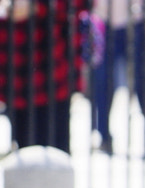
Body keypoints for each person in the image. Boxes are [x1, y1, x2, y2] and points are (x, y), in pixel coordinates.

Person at [0, 0, 86, 154]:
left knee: (57, 154)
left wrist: (37, 7)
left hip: (53, 78)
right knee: (26, 155)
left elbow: (78, 6)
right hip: (16, 79)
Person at [91, 0, 145, 154]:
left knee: (141, 80)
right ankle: (103, 135)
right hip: (104, 21)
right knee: (103, 82)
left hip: (134, 22)